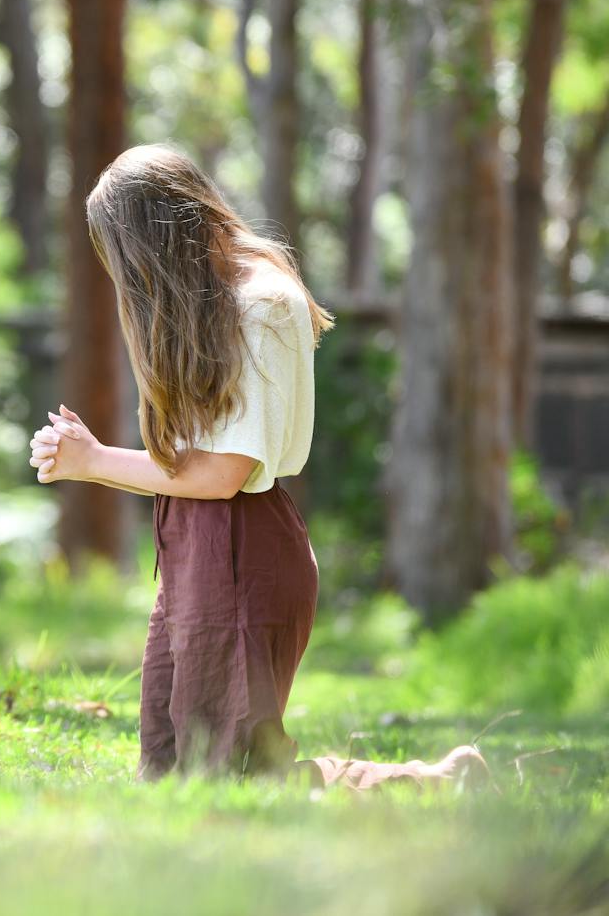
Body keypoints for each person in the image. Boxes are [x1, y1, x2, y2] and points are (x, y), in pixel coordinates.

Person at [27, 144, 489, 791]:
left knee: (225, 776)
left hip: (241, 551)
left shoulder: (262, 303)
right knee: (171, 773)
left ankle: (429, 782)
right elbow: (193, 464)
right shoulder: (212, 305)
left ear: (165, 236)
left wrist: (95, 460)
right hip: (192, 547)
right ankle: (433, 779)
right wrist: (86, 459)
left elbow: (222, 474)